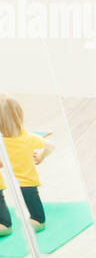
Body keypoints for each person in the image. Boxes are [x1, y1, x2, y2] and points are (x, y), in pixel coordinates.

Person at [0, 94, 54, 232]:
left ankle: (29, 223)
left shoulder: (21, 139)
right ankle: (34, 221)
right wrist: (41, 156)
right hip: (24, 183)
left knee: (36, 218)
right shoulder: (27, 137)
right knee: (33, 213)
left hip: (24, 183)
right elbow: (50, 146)